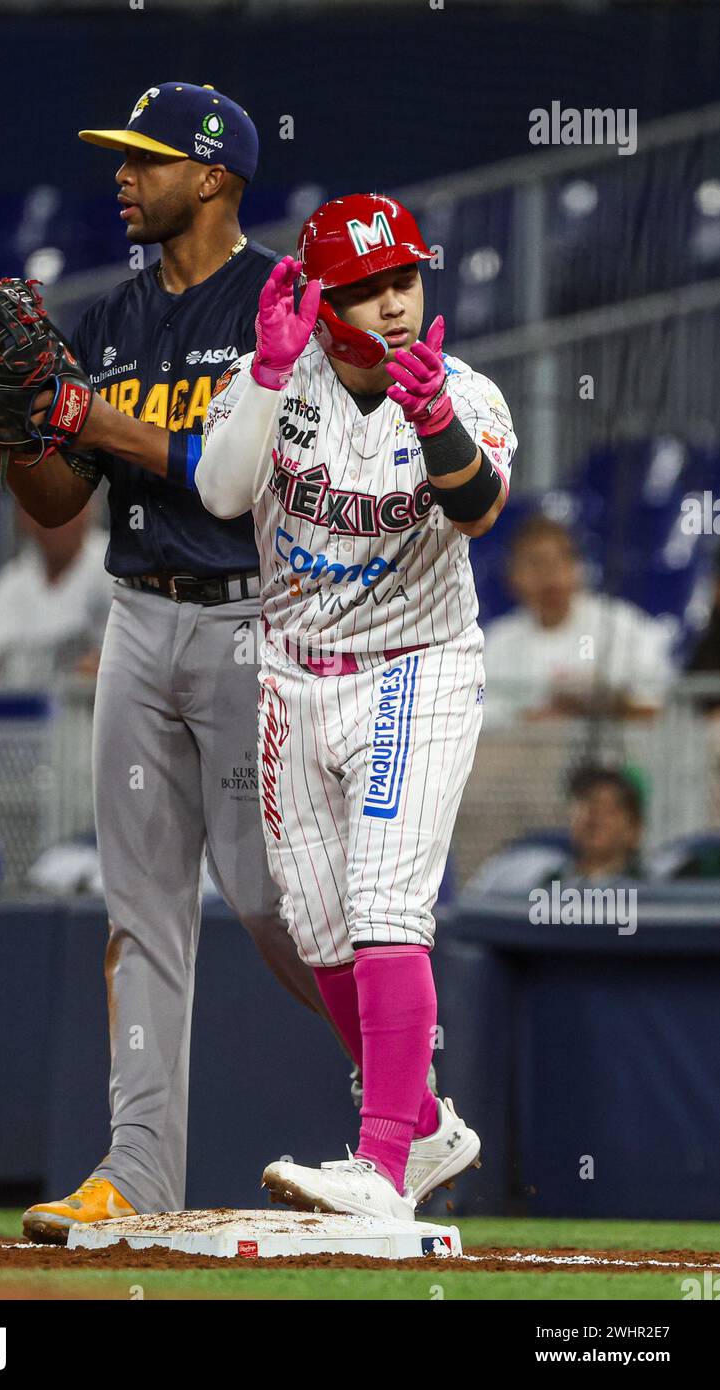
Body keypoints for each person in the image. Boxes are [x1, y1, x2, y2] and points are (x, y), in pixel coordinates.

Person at [8, 81, 338, 1243]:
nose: (121, 174)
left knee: (266, 897)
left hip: (256, 617)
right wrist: (16, 427)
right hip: (138, 617)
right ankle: (136, 1173)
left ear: (211, 176)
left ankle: (405, 1096)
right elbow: (60, 501)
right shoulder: (108, 317)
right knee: (140, 916)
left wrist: (89, 420)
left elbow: (236, 477)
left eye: (144, 158)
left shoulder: (281, 306)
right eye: (120, 156)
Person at [196, 193, 516, 1219]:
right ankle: (423, 1127)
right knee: (320, 925)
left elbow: (477, 509)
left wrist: (433, 419)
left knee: (386, 906)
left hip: (417, 668)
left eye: (402, 280)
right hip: (293, 674)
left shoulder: (464, 390)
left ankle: (380, 1167)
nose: (388, 304)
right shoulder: (272, 382)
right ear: (316, 297)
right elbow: (217, 493)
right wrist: (266, 372)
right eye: (362, 288)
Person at [482, 515, 673, 727]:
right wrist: (534, 719)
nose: (549, 576)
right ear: (514, 576)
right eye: (536, 564)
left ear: (577, 568)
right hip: (525, 755)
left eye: (558, 562)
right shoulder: (498, 642)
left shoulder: (618, 623)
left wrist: (604, 702)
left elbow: (656, 705)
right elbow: (482, 721)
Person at [0, 503, 111, 686]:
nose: (53, 521)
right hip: (23, 709)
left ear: (87, 509)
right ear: (24, 518)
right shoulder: (5, 590)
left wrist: (105, 664)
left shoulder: (117, 569)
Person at [552, 766, 645, 884]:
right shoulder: (548, 885)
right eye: (585, 806)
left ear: (634, 829)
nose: (594, 818)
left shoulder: (653, 891)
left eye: (608, 809)